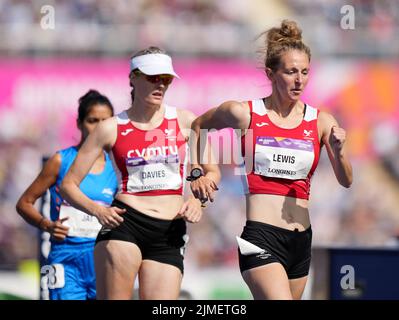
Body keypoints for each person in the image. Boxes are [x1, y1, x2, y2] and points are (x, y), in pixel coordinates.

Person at [190, 20, 353, 300]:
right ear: (271, 73)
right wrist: (201, 171)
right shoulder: (245, 113)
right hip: (260, 237)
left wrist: (338, 151)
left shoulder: (321, 122)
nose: (299, 80)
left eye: (304, 72)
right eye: (290, 72)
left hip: (301, 240)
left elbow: (346, 180)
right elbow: (198, 126)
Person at [60, 47, 220, 300]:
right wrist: (98, 210)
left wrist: (197, 200)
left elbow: (212, 172)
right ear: (133, 78)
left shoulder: (186, 121)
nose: (161, 85)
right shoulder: (110, 128)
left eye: (166, 79)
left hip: (170, 230)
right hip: (126, 224)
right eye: (152, 78)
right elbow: (67, 185)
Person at [16, 89, 117, 300]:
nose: (98, 127)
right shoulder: (60, 161)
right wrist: (47, 225)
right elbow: (24, 203)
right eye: (92, 120)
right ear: (80, 123)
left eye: (104, 121)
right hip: (65, 258)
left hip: (104, 256)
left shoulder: (117, 166)